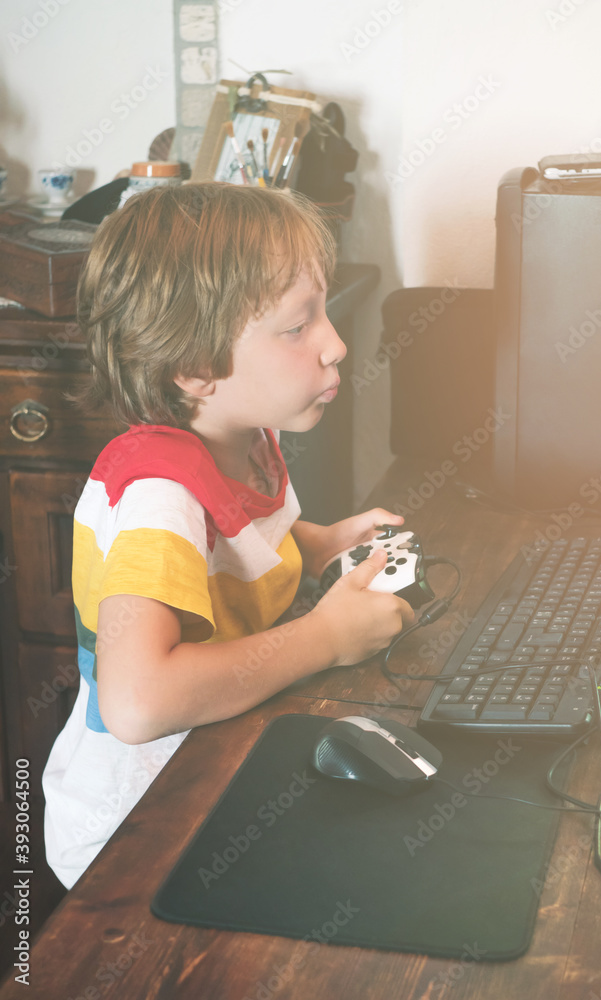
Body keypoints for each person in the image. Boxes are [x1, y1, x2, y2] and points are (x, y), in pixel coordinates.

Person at [42, 182, 414, 889]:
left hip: (214, 764)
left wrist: (319, 543)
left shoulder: (243, 436)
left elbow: (240, 545)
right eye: (297, 326)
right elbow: (138, 701)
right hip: (138, 825)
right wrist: (325, 639)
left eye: (323, 313)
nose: (335, 344)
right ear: (195, 368)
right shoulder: (159, 494)